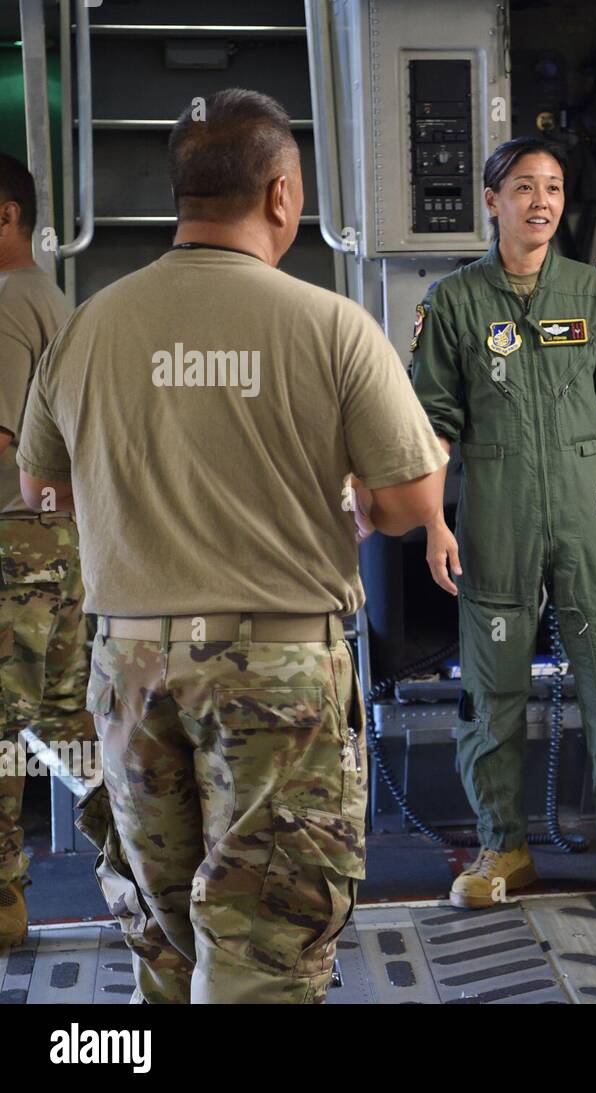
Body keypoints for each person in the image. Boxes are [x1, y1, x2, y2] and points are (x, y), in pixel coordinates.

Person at [16, 88, 446, 1002]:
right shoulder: (329, 325)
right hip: (276, 671)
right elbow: (411, 503)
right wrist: (363, 492)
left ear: (182, 191)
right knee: (262, 941)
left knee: (163, 932)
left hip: (128, 665)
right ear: (282, 194)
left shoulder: (88, 325)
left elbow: (38, 485)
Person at [410, 137, 596, 916]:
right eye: (522, 187)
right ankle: (503, 849)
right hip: (497, 517)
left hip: (588, 514)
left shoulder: (589, 295)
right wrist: (432, 523)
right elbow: (433, 425)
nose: (541, 201)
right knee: (493, 692)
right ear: (492, 201)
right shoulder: (454, 304)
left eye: (552, 186)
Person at [0, 153, 93, 949]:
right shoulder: (55, 301)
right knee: (69, 723)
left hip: (11, 543)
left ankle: (1, 900)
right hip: (61, 542)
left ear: (7, 216)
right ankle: (149, 854)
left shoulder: (6, 303)